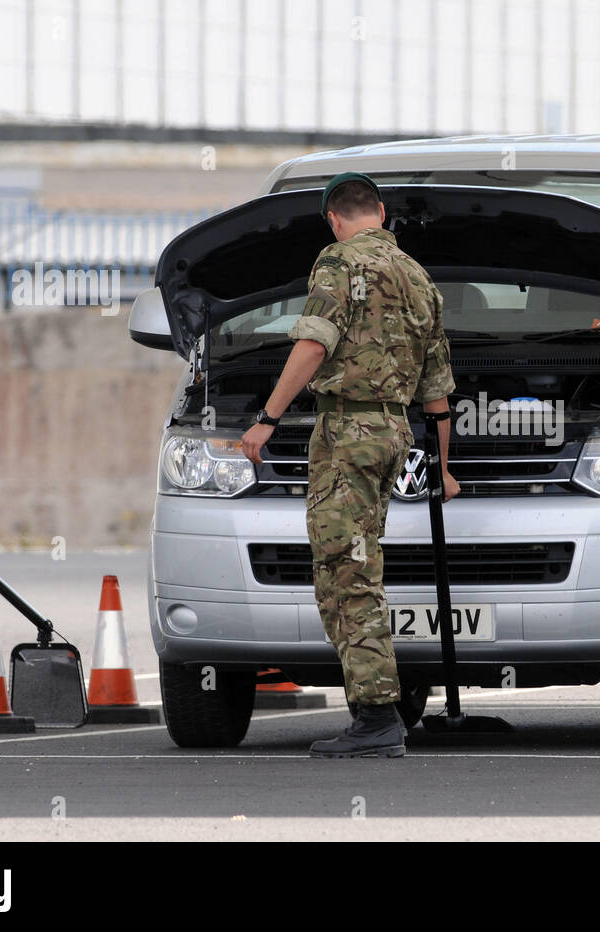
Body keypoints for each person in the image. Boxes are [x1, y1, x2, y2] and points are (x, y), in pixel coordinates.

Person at [240, 171, 459, 759]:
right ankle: (381, 704)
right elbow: (437, 390)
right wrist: (442, 468)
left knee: (346, 572)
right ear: (381, 213)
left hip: (348, 430)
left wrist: (267, 416)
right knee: (359, 563)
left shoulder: (337, 262)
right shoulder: (419, 277)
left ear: (334, 219)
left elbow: (313, 343)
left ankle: (378, 716)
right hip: (394, 431)